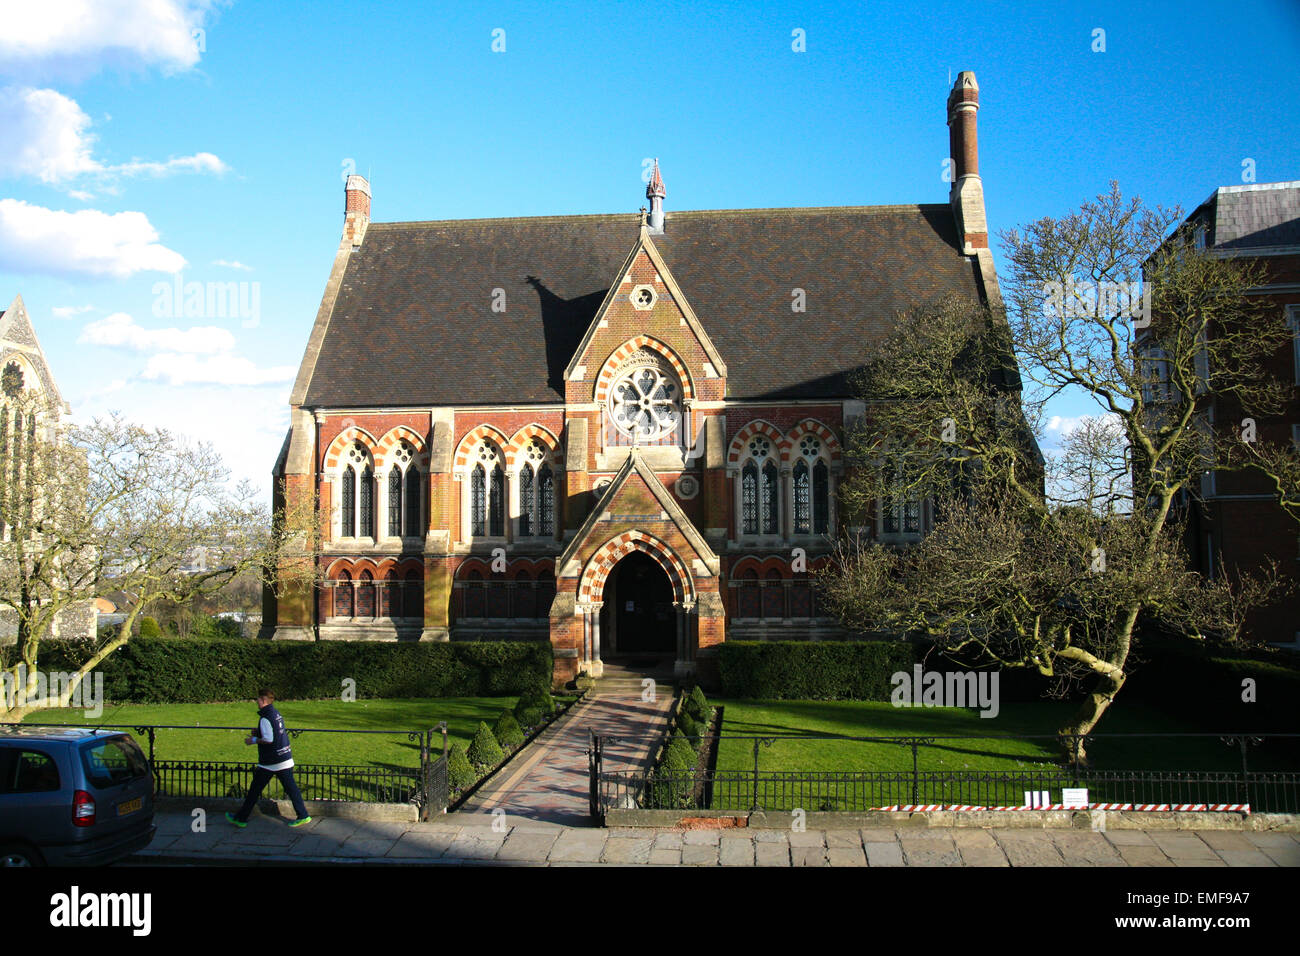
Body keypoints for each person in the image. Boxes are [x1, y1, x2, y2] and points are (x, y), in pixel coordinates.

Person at [225, 689, 312, 828]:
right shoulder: (276, 713)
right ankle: (303, 815)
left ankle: (240, 818)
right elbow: (276, 732)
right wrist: (259, 731)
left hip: (272, 761)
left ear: (264, 700)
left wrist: (253, 739)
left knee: (254, 791)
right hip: (284, 756)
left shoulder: (265, 717)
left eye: (258, 700)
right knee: (291, 789)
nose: (257, 702)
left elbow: (269, 739)